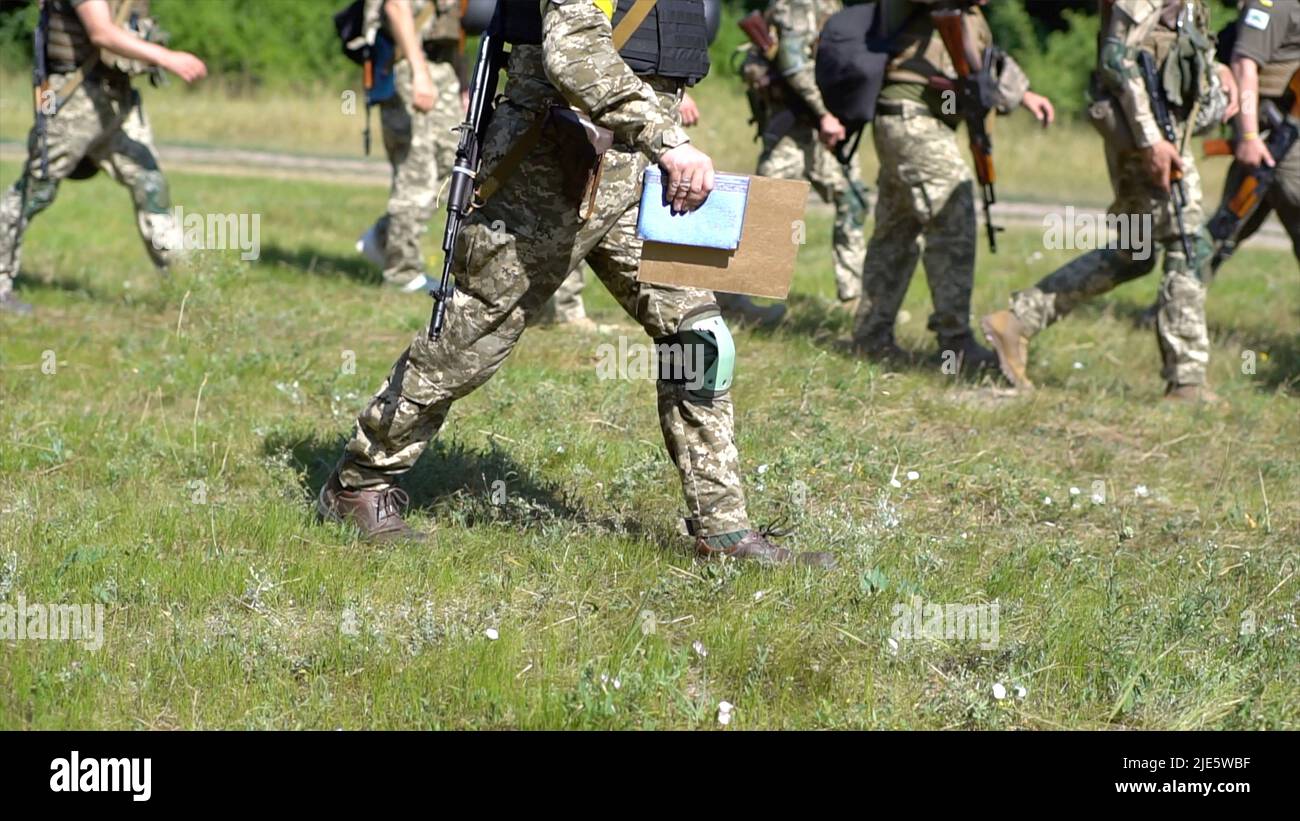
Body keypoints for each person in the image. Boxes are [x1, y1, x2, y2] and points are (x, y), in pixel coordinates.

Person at [318, 0, 834, 568]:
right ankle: (359, 482)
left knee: (699, 338)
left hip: (644, 164)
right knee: (473, 336)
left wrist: (664, 123)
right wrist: (670, 140)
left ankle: (724, 529)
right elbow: (574, 52)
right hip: (556, 152)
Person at [982, 0, 1234, 402]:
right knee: (1189, 245)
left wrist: (1216, 70)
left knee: (1134, 251)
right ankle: (1187, 382)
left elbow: (1175, 39)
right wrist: (1152, 142)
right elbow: (1117, 59)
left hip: (1161, 134)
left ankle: (1017, 322)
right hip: (1147, 138)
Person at [853, 0, 1054, 370]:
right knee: (953, 216)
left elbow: (981, 61)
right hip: (911, 115)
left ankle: (871, 337)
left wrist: (1023, 94)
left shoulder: (972, 13)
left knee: (898, 230)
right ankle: (955, 344)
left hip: (918, 119)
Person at [0, 0, 207, 316]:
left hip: (116, 99)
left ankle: (188, 291)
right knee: (33, 193)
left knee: (150, 185)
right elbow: (101, 33)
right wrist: (166, 57)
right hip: (73, 99)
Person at [726, 0, 868, 326]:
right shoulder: (798, 3)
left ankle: (854, 298)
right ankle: (733, 299)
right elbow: (793, 64)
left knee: (852, 201)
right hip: (794, 126)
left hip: (821, 129)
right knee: (767, 209)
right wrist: (824, 114)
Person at [536, 89, 704, 332]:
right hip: (593, 119)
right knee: (574, 212)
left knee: (582, 213)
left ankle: (565, 310)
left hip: (625, 126)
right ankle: (564, 312)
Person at [355, 0, 465, 290]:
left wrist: (463, 80)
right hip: (407, 66)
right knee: (415, 173)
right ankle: (402, 272)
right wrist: (419, 73)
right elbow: (396, 7)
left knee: (456, 164)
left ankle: (383, 238)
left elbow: (450, 24)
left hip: (442, 68)